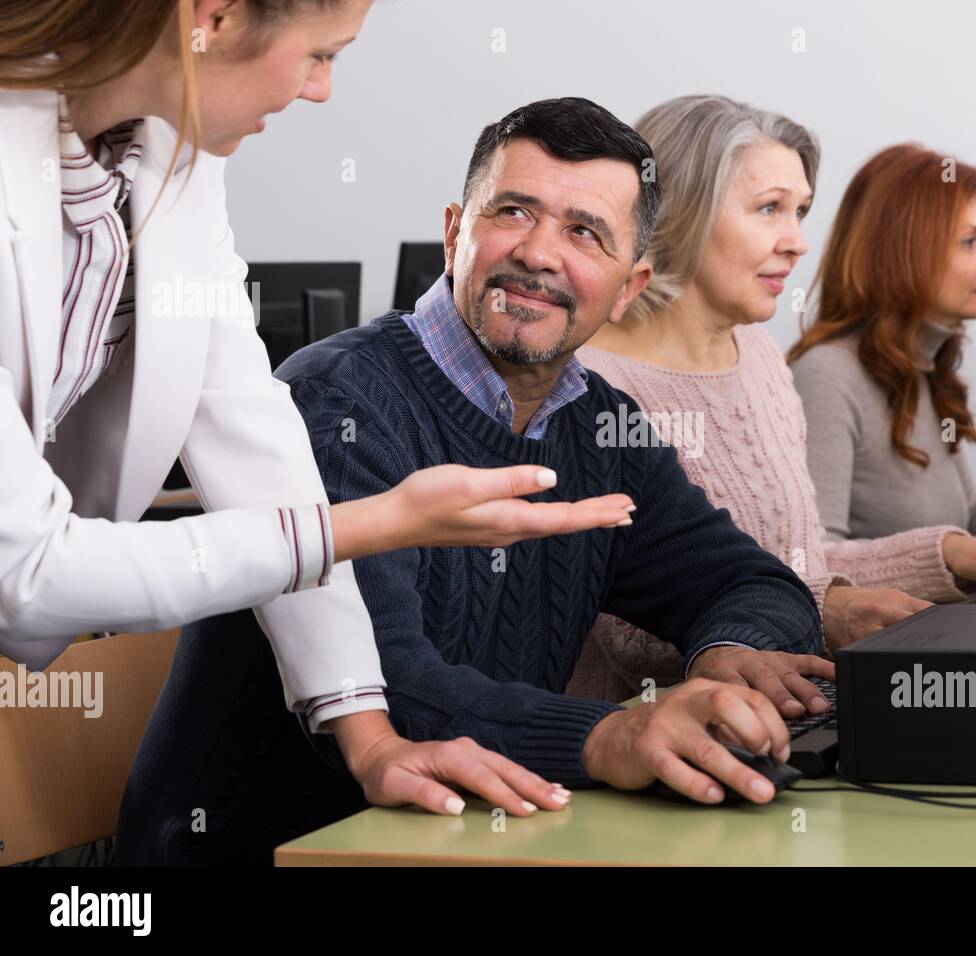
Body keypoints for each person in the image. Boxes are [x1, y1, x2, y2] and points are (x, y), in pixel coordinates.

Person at [117, 97, 833, 864]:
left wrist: (728, 649)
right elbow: (391, 688)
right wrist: (610, 734)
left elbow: (752, 580)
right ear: (456, 231)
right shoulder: (340, 402)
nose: (539, 254)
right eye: (514, 211)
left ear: (630, 287)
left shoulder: (599, 424)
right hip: (269, 851)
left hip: (473, 841)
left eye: (585, 233)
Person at [0, 0, 635, 818]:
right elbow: (30, 575)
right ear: (216, 17)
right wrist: (380, 521)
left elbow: (249, 431)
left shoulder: (170, 152)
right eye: (320, 54)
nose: (323, 90)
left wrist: (369, 737)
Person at [564, 98, 976, 699]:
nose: (798, 242)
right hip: (645, 734)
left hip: (780, 699)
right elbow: (619, 633)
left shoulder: (757, 356)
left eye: (801, 212)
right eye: (769, 210)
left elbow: (804, 563)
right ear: (681, 211)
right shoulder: (587, 386)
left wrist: (940, 558)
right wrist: (821, 611)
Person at [789, 143, 976, 578]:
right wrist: (947, 553)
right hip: (879, 643)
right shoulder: (827, 376)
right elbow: (812, 559)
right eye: (969, 241)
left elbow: (968, 509)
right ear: (903, 253)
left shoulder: (917, 363)